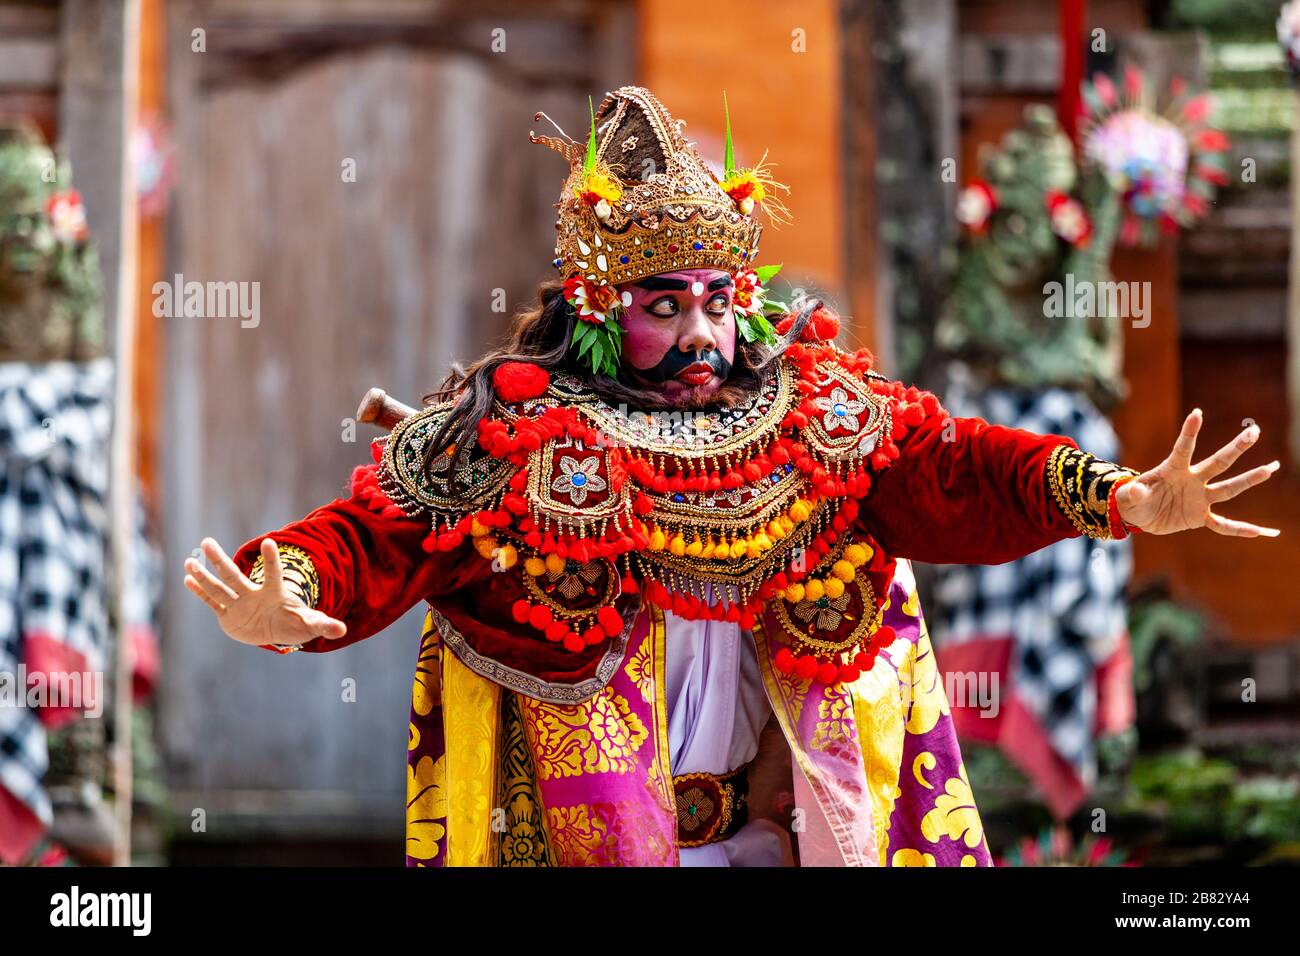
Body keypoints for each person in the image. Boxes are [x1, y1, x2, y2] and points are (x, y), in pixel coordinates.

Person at [183, 86, 1280, 867]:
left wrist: (1112, 494)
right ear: (602, 311)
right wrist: (292, 595)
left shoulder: (816, 412)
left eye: (718, 299)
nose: (701, 329)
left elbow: (951, 464)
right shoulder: (515, 434)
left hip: (785, 837)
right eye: (666, 305)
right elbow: (373, 531)